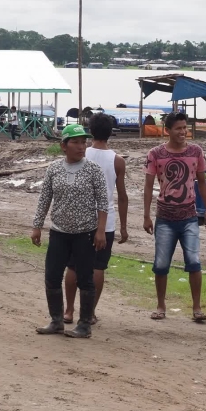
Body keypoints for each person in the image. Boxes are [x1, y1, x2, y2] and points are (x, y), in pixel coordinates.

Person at [31, 124, 108, 339]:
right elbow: (44, 199)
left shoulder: (93, 169)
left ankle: (84, 325)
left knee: (85, 278)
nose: (81, 146)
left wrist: (101, 231)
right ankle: (56, 321)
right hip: (59, 232)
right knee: (52, 276)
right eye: (75, 142)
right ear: (63, 146)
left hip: (85, 233)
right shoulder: (54, 169)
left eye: (83, 142)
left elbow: (103, 203)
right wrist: (37, 226)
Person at [143, 112, 206, 323]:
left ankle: (197, 308)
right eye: (178, 128)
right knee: (161, 264)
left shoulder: (196, 151)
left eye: (185, 128)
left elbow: (202, 182)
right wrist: (146, 216)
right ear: (168, 131)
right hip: (164, 217)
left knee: (194, 262)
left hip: (190, 217)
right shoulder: (155, 154)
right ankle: (161, 305)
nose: (183, 132)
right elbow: (148, 186)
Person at [63, 114, 128, 325]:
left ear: (90, 131)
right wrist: (124, 227)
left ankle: (69, 310)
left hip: (79, 219)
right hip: (105, 221)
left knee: (73, 266)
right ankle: (89, 312)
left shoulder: (80, 153)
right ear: (111, 133)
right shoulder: (117, 160)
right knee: (98, 267)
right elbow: (122, 196)